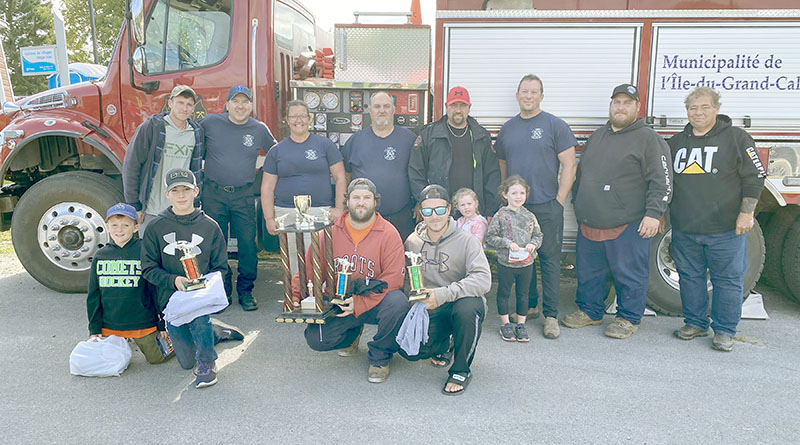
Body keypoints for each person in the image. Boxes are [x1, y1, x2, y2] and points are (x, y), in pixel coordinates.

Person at [564, 84, 672, 339]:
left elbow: (663, 180)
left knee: (629, 273)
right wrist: (578, 203)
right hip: (591, 220)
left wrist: (654, 213)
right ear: (611, 105)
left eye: (627, 103)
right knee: (589, 272)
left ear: (637, 107)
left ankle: (628, 318)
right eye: (617, 102)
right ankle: (590, 311)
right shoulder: (599, 136)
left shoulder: (649, 139)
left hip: (628, 223)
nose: (621, 107)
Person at [668, 87, 765, 352]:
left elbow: (755, 176)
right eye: (692, 108)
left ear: (716, 109)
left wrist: (747, 212)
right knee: (690, 277)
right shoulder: (676, 143)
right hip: (685, 228)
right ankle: (695, 323)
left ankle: (724, 330)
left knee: (728, 280)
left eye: (704, 107)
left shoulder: (737, 138)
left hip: (724, 229)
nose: (698, 112)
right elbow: (665, 182)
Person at [142, 168, 244, 388]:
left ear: (196, 191)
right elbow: (148, 268)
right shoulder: (155, 227)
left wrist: (204, 288)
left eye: (186, 190)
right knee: (187, 361)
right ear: (167, 194)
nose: (181, 195)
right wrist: (174, 281)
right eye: (175, 190)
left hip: (200, 297)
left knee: (198, 317)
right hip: (170, 299)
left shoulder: (210, 226)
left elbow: (221, 267)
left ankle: (207, 362)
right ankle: (215, 333)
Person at [494, 74, 578, 340]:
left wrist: (560, 200)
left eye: (534, 92)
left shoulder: (555, 125)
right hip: (517, 210)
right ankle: (529, 306)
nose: (528, 96)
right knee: (521, 260)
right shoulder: (508, 128)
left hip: (546, 206)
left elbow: (570, 164)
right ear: (517, 96)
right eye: (524, 92)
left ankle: (550, 316)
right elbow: (503, 166)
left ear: (541, 96)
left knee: (550, 260)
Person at [303, 178, 408, 384]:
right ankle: (351, 335)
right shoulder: (330, 231)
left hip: (377, 300)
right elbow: (310, 270)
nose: (361, 202)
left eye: (367, 198)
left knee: (398, 302)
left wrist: (361, 303)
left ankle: (380, 357)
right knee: (317, 339)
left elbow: (394, 279)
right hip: (342, 300)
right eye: (356, 197)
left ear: (375, 202)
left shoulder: (388, 233)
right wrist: (296, 298)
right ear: (347, 201)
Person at [399, 184, 491, 395]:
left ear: (449, 209)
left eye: (440, 209)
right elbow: (405, 281)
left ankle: (461, 369)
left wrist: (443, 294)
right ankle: (445, 344)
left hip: (457, 302)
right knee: (412, 354)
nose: (434, 216)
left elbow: (483, 280)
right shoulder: (412, 242)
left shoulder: (467, 241)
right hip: (428, 307)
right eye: (428, 210)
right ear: (421, 212)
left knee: (470, 307)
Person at [200, 86, 276, 311]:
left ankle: (245, 291)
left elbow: (276, 154)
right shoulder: (209, 124)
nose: (240, 106)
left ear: (251, 106)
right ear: (227, 105)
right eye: (236, 101)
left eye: (245, 102)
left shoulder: (259, 129)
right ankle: (221, 292)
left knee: (247, 246)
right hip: (213, 194)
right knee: (216, 245)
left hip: (243, 195)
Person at [260, 100, 347, 272]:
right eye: (294, 116)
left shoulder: (325, 145)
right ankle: (295, 296)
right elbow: (267, 188)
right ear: (287, 119)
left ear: (309, 119)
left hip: (320, 213)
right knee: (293, 261)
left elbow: (341, 178)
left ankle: (320, 297)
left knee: (321, 258)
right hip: (286, 214)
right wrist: (269, 218)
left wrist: (339, 208)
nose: (298, 120)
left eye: (302, 116)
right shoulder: (276, 150)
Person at [86, 203, 172, 364]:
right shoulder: (100, 255)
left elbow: (155, 290)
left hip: (142, 323)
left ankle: (193, 334)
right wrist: (95, 329)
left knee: (157, 359)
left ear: (135, 227)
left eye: (126, 225)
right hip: (111, 325)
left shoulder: (145, 251)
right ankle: (125, 340)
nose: (119, 230)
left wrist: (162, 324)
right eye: (114, 225)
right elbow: (93, 295)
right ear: (107, 226)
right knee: (112, 363)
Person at [122, 85, 204, 234]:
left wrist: (196, 203)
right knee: (150, 254)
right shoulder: (153, 127)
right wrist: (135, 205)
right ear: (170, 103)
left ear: (193, 109)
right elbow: (131, 166)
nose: (184, 108)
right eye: (180, 102)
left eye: (189, 105)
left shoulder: (196, 132)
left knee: (181, 253)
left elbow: (196, 171)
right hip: (153, 210)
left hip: (181, 209)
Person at [408, 86, 500, 217]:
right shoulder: (429, 134)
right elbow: (416, 171)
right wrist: (424, 201)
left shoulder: (482, 136)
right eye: (453, 105)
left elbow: (492, 175)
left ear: (469, 107)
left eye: (462, 105)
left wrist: (490, 211)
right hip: (439, 212)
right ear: (446, 106)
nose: (458, 110)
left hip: (473, 213)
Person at [341, 91, 417, 240]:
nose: (382, 110)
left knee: (400, 260)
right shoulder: (356, 140)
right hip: (364, 216)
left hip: (401, 217)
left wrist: (421, 201)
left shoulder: (409, 139)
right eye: (377, 106)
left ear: (394, 110)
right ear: (370, 111)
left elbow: (419, 173)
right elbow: (346, 175)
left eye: (386, 106)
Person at [486, 176, 543, 342]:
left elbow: (538, 235)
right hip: (506, 263)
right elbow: (490, 237)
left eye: (522, 193)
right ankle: (505, 324)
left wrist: (533, 244)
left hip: (526, 263)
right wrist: (507, 243)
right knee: (504, 292)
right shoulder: (501, 215)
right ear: (505, 194)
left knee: (523, 294)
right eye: (514, 193)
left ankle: (521, 324)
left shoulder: (530, 216)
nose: (518, 196)